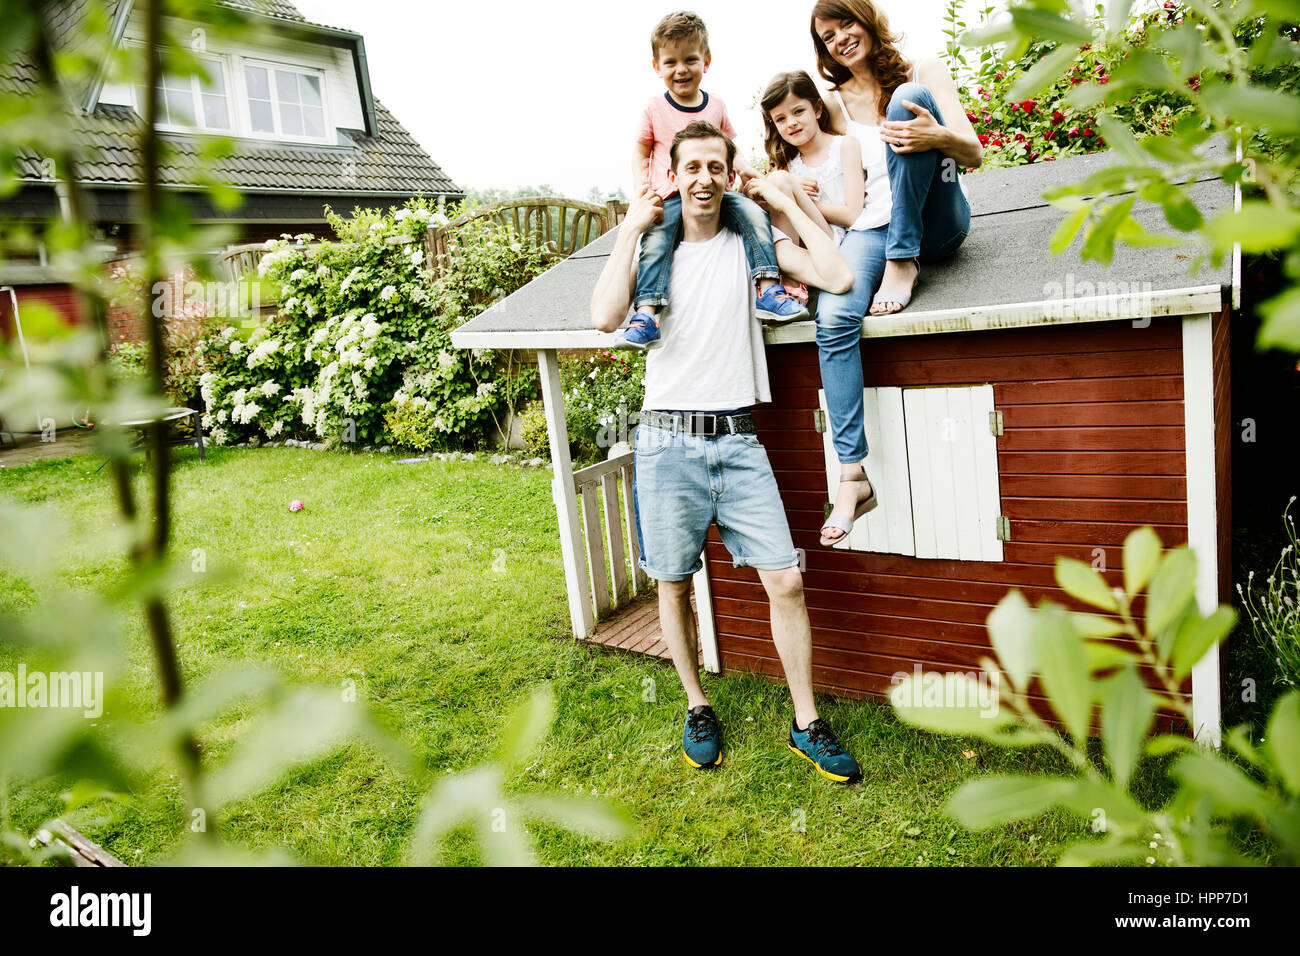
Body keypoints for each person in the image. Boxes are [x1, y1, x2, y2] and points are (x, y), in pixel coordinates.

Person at [591, 121, 863, 783]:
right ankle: (696, 704)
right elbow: (603, 317)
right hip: (663, 442)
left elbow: (838, 273)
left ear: (728, 172)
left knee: (786, 580)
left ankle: (806, 722)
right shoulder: (654, 246)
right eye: (693, 168)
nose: (704, 179)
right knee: (674, 582)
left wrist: (787, 203)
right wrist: (628, 228)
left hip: (737, 438)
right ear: (675, 176)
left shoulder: (752, 242)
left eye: (716, 166)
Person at [808, 0, 983, 545]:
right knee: (834, 316)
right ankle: (853, 477)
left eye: (847, 25)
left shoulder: (922, 75)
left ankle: (904, 262)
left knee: (907, 103)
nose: (840, 39)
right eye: (827, 35)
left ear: (868, 20)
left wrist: (937, 139)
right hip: (873, 226)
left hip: (937, 217)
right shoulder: (833, 106)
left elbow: (973, 153)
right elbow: (820, 163)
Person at [616, 10, 808, 351]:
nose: (681, 70)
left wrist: (749, 173)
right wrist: (641, 188)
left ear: (706, 60)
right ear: (656, 66)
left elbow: (732, 147)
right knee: (658, 240)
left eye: (690, 59)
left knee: (754, 216)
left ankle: (768, 289)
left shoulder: (715, 105)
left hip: (717, 195)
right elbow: (639, 151)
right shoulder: (654, 109)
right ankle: (647, 314)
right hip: (672, 196)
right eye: (671, 62)